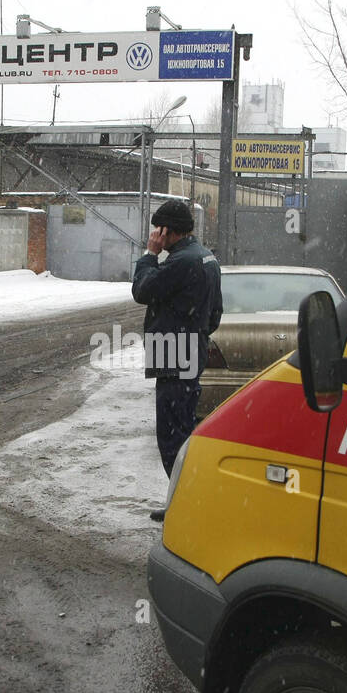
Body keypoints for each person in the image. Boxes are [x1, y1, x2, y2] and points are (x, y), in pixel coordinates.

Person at [132, 200, 222, 520]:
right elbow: (215, 315)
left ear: (167, 231)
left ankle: (190, 506)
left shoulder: (180, 262)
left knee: (172, 437)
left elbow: (142, 290)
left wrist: (149, 256)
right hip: (188, 348)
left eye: (158, 229)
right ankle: (184, 501)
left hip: (173, 352)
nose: (155, 234)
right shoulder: (206, 258)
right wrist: (195, 335)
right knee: (183, 430)